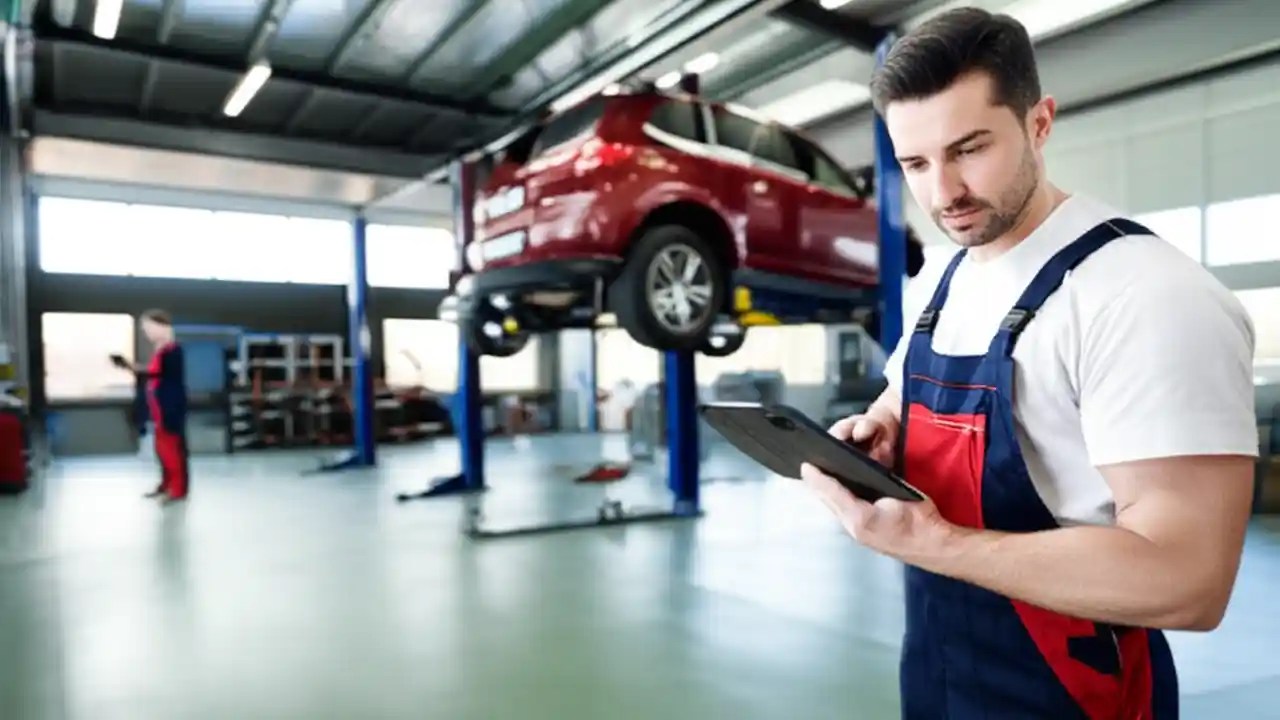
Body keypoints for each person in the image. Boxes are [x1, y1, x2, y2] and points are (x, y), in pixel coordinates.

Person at [800, 8, 1257, 719]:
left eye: (970, 149)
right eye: (915, 163)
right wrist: (879, 432)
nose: (943, 192)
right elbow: (900, 397)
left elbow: (1187, 581)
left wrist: (939, 544)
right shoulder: (943, 280)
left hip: (1076, 698)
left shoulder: (1143, 296)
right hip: (940, 676)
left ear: (1040, 123)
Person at [112, 309, 190, 504]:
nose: (146, 332)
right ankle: (166, 484)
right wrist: (129, 367)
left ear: (162, 327)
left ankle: (177, 489)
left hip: (169, 409)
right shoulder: (161, 351)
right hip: (158, 409)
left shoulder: (172, 350)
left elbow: (156, 374)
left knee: (172, 450)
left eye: (149, 327)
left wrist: (130, 367)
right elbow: (152, 373)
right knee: (162, 450)